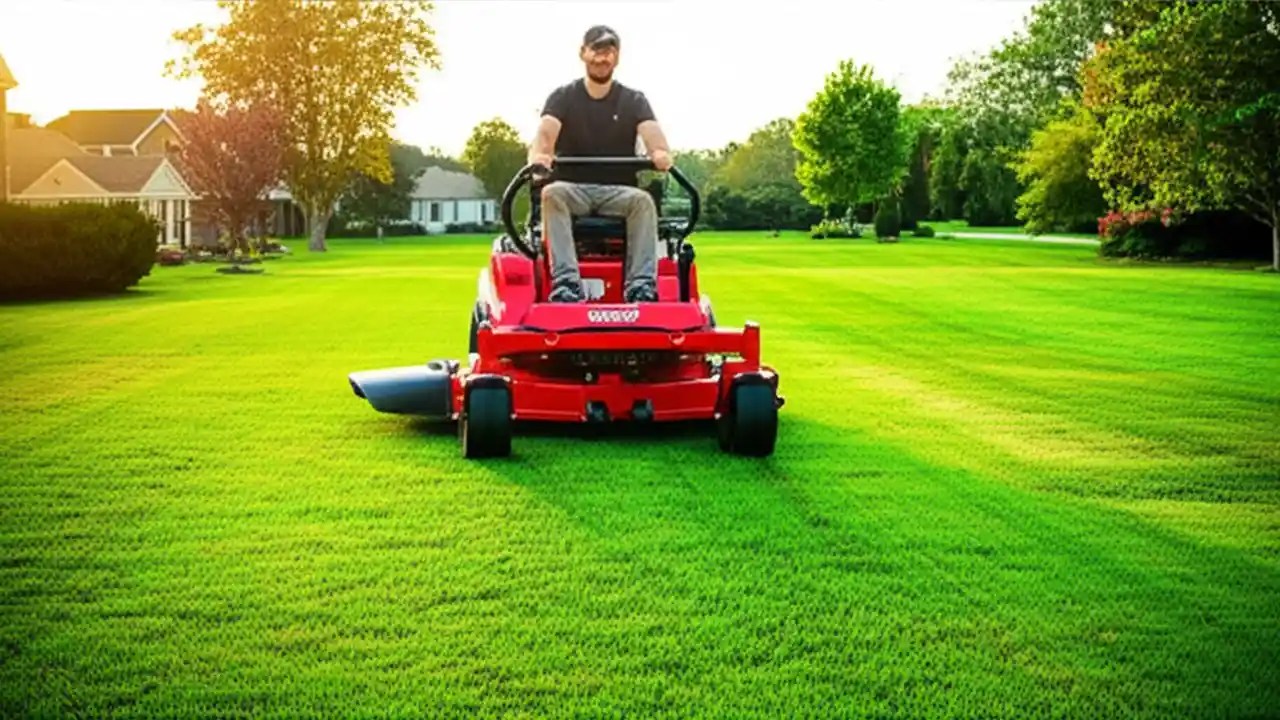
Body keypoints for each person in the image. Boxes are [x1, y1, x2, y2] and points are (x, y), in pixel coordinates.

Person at [527, 24, 673, 303]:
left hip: (618, 193)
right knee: (551, 193)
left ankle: (641, 286)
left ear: (616, 58)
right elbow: (546, 133)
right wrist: (541, 156)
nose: (601, 57)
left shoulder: (633, 100)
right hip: (572, 190)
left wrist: (659, 153)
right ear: (583, 53)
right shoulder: (563, 97)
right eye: (596, 50)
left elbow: (654, 136)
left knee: (643, 201)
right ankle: (567, 285)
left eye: (608, 52)